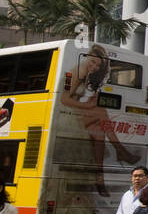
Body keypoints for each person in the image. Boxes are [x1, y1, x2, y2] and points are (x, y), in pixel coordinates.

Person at [59, 43, 137, 188]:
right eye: (93, 61)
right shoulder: (79, 71)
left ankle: (99, 177)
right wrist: (87, 105)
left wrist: (90, 100)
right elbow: (64, 99)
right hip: (65, 114)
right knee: (100, 111)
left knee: (100, 131)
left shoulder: (86, 73)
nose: (94, 66)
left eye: (97, 65)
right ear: (87, 56)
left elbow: (76, 96)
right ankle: (119, 150)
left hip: (73, 112)